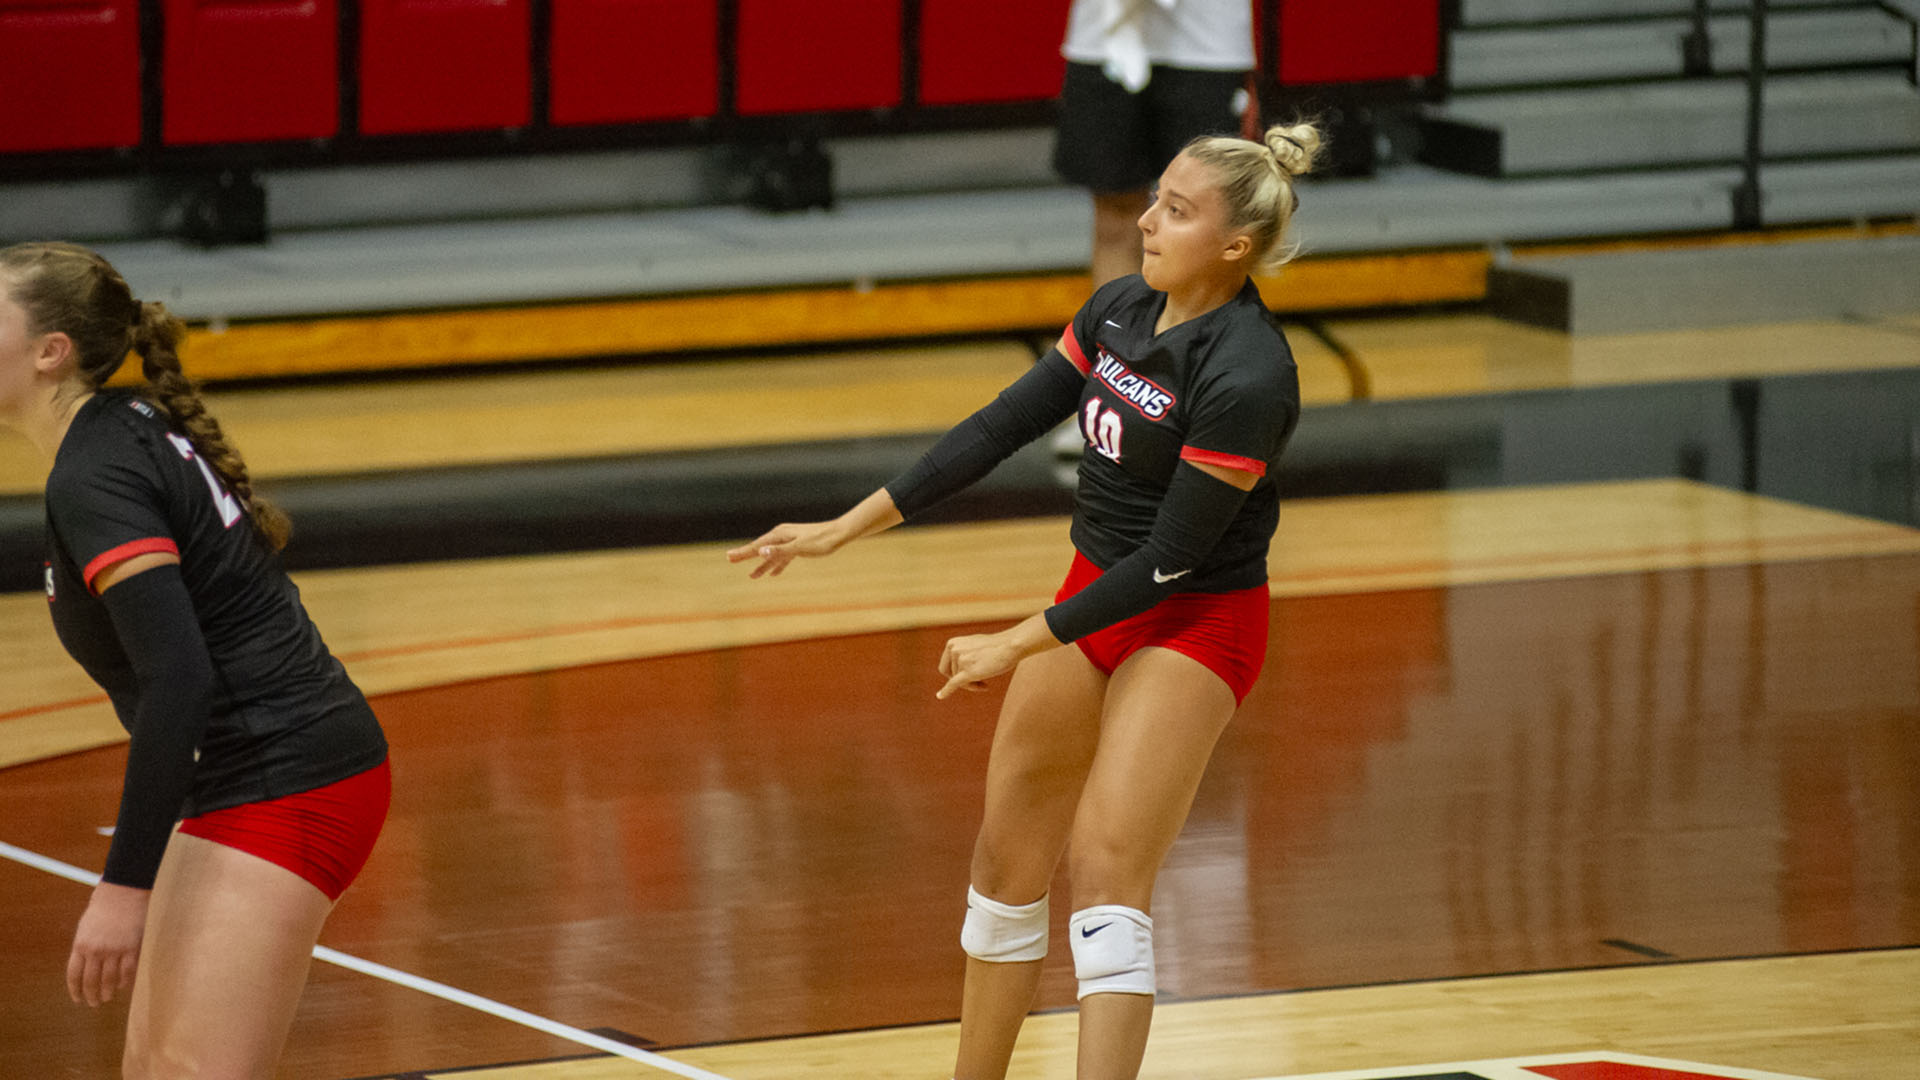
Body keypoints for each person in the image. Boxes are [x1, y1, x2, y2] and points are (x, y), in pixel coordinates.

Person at [730, 121, 1321, 1080]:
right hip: (1092, 595)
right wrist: (846, 525)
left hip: (1194, 622)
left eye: (1178, 210)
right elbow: (1000, 426)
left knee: (1106, 879)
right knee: (1005, 872)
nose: (1147, 222)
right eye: (1153, 198)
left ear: (1235, 246)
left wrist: (1017, 641)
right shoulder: (1120, 309)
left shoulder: (1249, 374)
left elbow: (1172, 559)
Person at [0, 242, 390, 1079]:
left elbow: (179, 676)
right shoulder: (123, 427)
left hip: (286, 778)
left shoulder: (95, 473)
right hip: (250, 774)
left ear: (49, 351)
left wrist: (122, 886)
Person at [1056, 0, 1258, 290]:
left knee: (1206, 221)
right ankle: (1118, 335)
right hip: (1102, 40)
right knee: (1116, 214)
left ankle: (1194, 336)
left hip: (1210, 43)